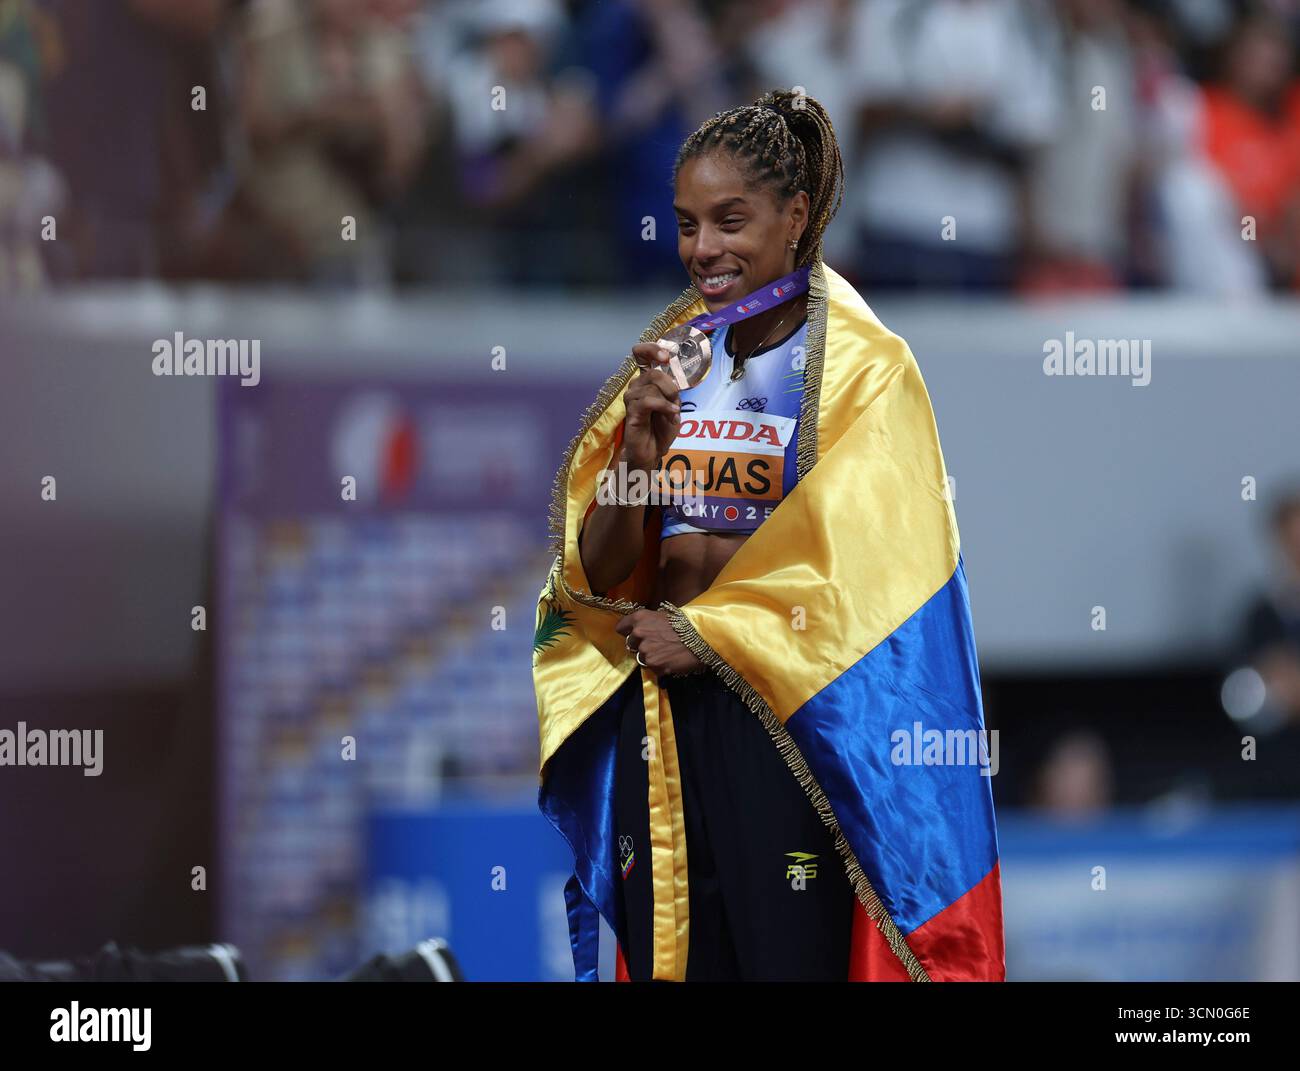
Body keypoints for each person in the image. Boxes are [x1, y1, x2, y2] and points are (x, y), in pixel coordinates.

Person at [534, 89, 1003, 982]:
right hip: (663, 728)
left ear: (795, 216)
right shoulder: (675, 358)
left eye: (729, 220)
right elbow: (598, 579)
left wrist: (708, 636)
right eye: (685, 224)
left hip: (788, 732)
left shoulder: (868, 369)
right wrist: (636, 448)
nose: (703, 249)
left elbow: (871, 579)